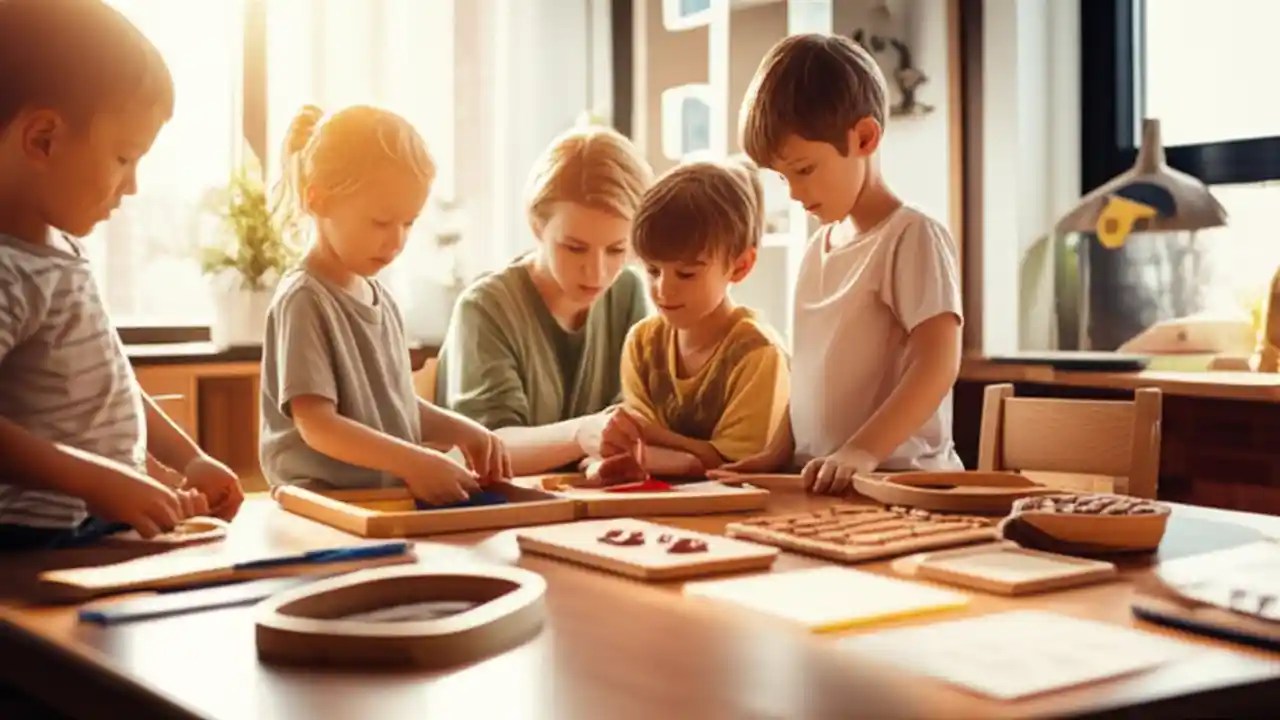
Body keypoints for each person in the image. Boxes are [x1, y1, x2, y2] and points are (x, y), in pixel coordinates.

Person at [0, 0, 243, 549]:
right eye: (123, 158)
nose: (131, 186)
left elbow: (112, 380)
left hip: (95, 528)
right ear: (43, 139)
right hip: (30, 541)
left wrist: (188, 458)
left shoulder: (61, 252)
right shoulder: (9, 269)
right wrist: (97, 480)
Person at [715, 33, 964, 494]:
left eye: (804, 169)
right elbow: (808, 372)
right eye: (782, 175)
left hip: (903, 484)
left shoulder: (910, 235)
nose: (792, 192)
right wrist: (778, 451)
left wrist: (861, 451)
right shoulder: (817, 249)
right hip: (827, 483)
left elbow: (938, 362)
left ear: (865, 137)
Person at [259, 105, 509, 505]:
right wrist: (414, 462)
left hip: (380, 504)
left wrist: (463, 430)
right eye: (380, 222)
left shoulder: (383, 299)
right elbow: (317, 424)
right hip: (322, 508)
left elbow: (395, 407)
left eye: (408, 223)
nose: (396, 241)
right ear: (317, 200)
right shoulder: (305, 299)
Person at [436, 124, 655, 476]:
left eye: (617, 249)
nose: (597, 273)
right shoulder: (484, 308)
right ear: (537, 225)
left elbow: (638, 415)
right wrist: (581, 435)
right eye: (574, 247)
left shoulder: (628, 291)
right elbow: (483, 447)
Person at [590, 158, 789, 484]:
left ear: (740, 266)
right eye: (653, 270)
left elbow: (734, 465)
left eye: (686, 273)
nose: (663, 289)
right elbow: (640, 450)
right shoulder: (642, 342)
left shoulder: (758, 354)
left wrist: (648, 437)